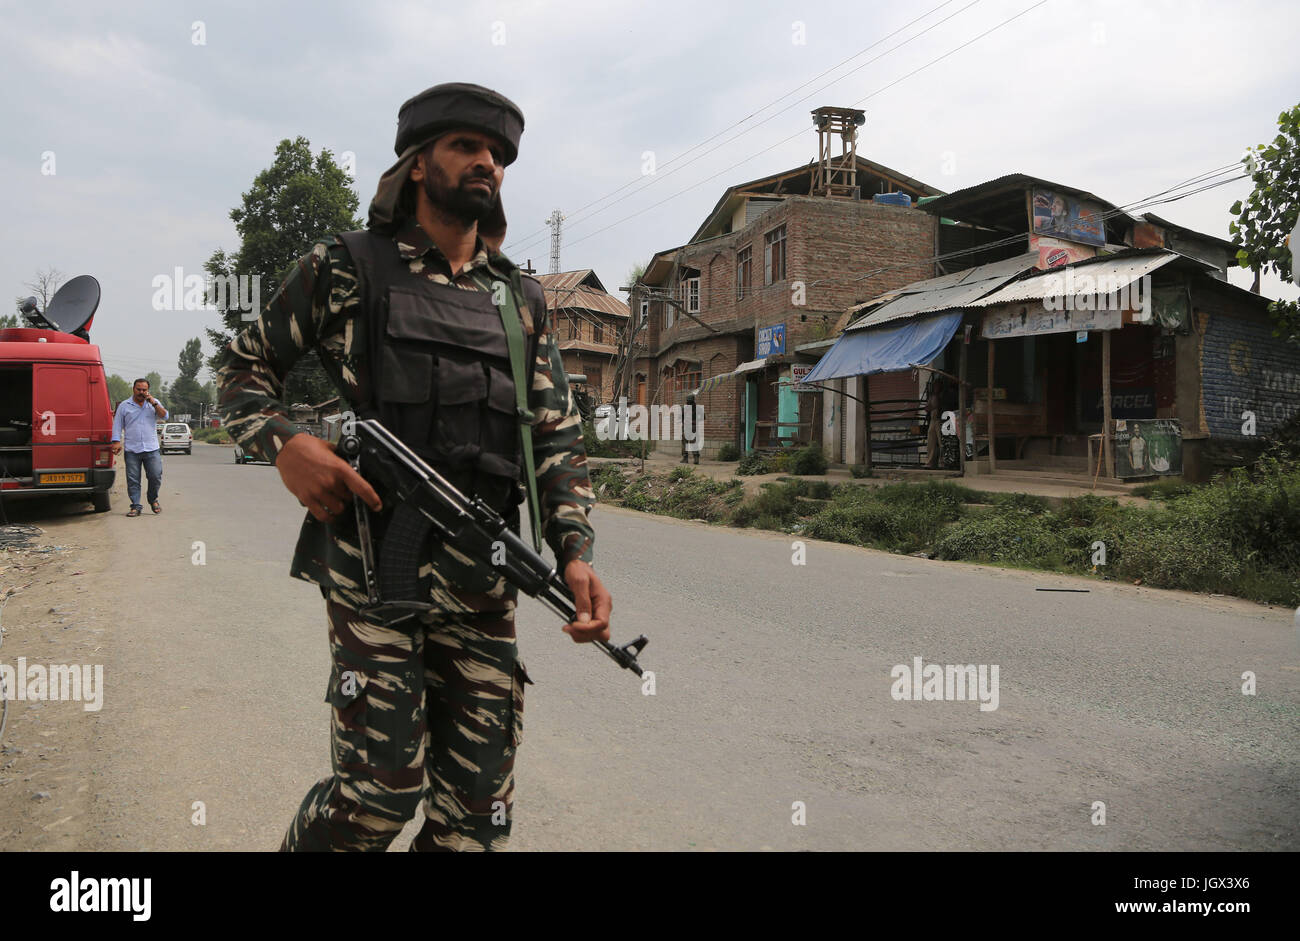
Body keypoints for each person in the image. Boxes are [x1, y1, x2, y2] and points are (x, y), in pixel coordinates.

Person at [216, 82, 611, 852]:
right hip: (375, 570)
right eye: (467, 147)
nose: (487, 163)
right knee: (378, 796)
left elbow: (556, 438)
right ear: (420, 164)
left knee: (476, 819)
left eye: (497, 154)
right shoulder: (347, 268)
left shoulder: (520, 302)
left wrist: (576, 551)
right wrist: (287, 443)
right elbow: (244, 368)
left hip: (484, 582)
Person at [110, 378, 167, 516]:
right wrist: (116, 441)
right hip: (132, 449)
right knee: (133, 479)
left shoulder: (154, 404)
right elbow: (117, 425)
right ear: (133, 389)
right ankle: (135, 505)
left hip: (151, 448)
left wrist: (154, 403)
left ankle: (153, 499)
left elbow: (164, 416)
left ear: (148, 391)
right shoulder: (124, 406)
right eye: (139, 389)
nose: (141, 392)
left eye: (144, 390)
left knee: (155, 476)